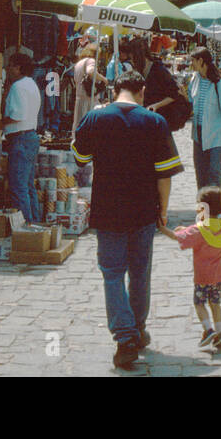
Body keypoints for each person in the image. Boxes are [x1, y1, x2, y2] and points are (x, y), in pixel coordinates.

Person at [72, 70, 183, 370]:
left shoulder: (96, 118)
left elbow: (79, 157)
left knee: (111, 272)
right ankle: (137, 328)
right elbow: (165, 174)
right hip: (144, 209)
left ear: (115, 90)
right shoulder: (154, 122)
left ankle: (125, 337)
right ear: (142, 91)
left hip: (108, 210)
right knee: (140, 271)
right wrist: (163, 210)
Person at [159, 185, 221, 348]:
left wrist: (162, 228)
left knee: (199, 303)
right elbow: (201, 233)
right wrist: (186, 229)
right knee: (215, 303)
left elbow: (177, 237)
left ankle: (208, 329)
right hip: (220, 274)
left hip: (203, 276)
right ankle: (220, 332)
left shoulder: (197, 230)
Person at [0, 53, 42, 224]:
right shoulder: (30, 84)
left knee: (18, 187)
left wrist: (0, 123)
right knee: (27, 186)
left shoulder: (18, 87)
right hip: (29, 137)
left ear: (19, 68)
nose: (8, 68)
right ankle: (34, 223)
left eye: (11, 65)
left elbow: (17, 115)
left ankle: (26, 227)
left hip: (20, 139)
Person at [182, 47, 221, 192]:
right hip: (198, 133)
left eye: (193, 61)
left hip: (216, 133)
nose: (191, 64)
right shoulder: (195, 78)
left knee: (215, 173)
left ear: (201, 61)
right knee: (200, 173)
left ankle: (218, 210)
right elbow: (190, 99)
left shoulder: (219, 82)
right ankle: (203, 210)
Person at [71, 44, 104, 134]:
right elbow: (91, 71)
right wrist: (104, 79)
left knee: (79, 125)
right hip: (90, 99)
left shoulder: (79, 63)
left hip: (79, 99)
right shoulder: (91, 61)